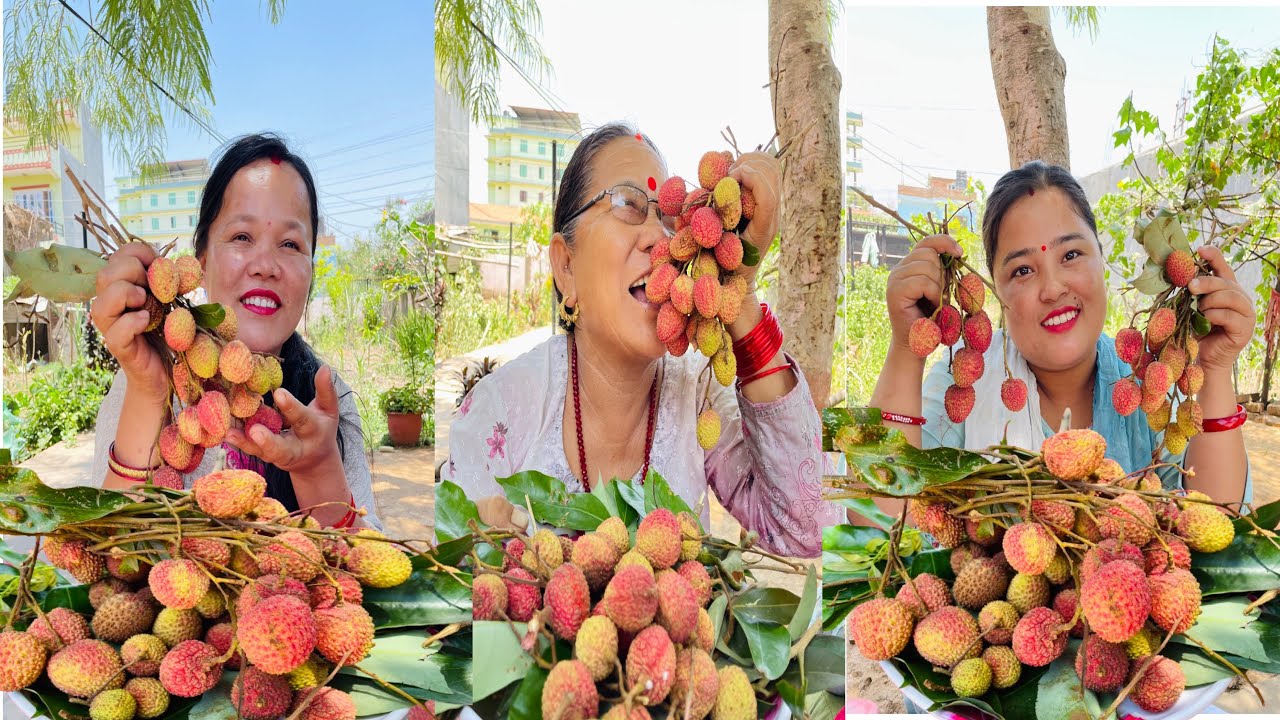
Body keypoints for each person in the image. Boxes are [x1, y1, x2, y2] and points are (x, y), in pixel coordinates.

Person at [443, 123, 840, 557]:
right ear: (566, 267)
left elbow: (807, 531)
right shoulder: (498, 412)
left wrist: (739, 297)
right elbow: (451, 587)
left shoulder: (698, 395)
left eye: (669, 220)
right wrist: (474, 557)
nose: (659, 240)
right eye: (628, 204)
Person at [866, 160, 1254, 520]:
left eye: (1070, 254)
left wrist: (1214, 369)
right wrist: (906, 349)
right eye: (1021, 270)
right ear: (994, 292)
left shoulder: (1152, 387)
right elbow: (879, 525)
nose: (1052, 288)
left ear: (1101, 261)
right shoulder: (961, 389)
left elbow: (1220, 525)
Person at [89, 133, 380, 529]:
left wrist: (318, 470)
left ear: (312, 270)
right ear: (202, 261)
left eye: (291, 244)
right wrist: (149, 393)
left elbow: (365, 572)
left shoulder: (325, 402)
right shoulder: (144, 385)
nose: (266, 264)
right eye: (242, 237)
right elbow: (109, 560)